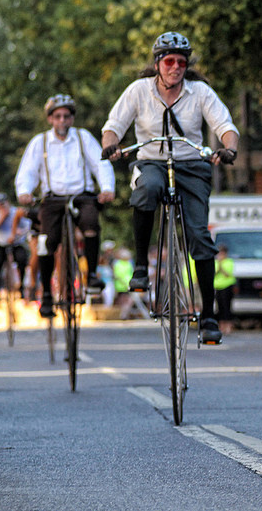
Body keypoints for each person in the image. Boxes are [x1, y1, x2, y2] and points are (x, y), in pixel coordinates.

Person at [100, 32, 239, 344]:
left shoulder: (200, 91)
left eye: (181, 62)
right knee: (146, 190)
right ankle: (139, 266)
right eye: (169, 61)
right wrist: (111, 146)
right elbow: (113, 126)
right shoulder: (138, 90)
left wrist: (229, 149)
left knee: (201, 238)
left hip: (191, 165)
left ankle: (208, 315)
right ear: (157, 64)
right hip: (151, 161)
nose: (175, 67)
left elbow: (225, 126)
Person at [15, 94, 115, 318]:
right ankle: (48, 295)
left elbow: (101, 164)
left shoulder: (83, 138)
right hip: (52, 198)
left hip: (82, 195)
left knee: (91, 222)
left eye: (66, 116)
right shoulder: (39, 142)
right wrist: (25, 192)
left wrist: (107, 187)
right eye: (57, 116)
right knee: (46, 242)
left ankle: (91, 276)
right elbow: (27, 172)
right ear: (50, 119)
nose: (62, 121)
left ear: (72, 118)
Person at [0, 193, 30, 302]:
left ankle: (21, 287)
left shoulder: (16, 212)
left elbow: (26, 226)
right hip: (1, 243)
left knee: (22, 259)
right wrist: (2, 216)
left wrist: (19, 233)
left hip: (16, 243)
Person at [214, 244, 236, 336]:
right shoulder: (215, 262)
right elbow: (214, 273)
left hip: (227, 286)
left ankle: (228, 326)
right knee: (220, 307)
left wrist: (221, 266)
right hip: (218, 287)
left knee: (227, 307)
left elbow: (227, 274)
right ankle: (221, 326)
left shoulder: (229, 262)